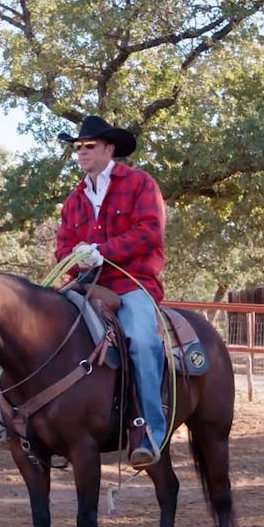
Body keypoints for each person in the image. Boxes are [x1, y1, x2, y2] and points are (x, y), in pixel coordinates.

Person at [54, 115, 167, 469]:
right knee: (44, 329)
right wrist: (75, 259)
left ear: (109, 149)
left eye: (89, 147)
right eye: (78, 148)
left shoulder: (140, 184)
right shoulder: (74, 199)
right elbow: (62, 247)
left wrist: (105, 251)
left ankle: (149, 430)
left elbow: (150, 231)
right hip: (86, 285)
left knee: (141, 339)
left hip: (131, 284)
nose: (81, 153)